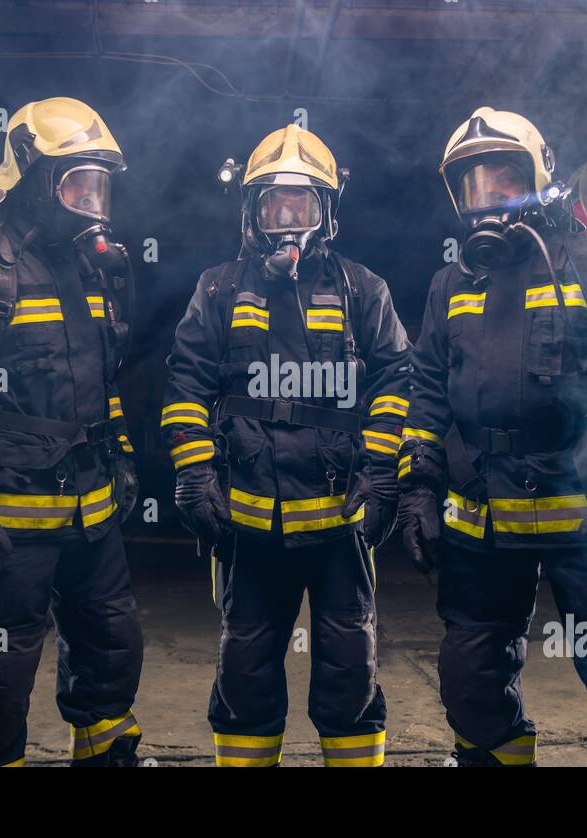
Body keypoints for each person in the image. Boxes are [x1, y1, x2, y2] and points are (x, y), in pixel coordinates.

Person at [396, 107, 587, 766]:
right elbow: (423, 392)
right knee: (471, 682)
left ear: (542, 179)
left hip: (585, 518)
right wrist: (418, 484)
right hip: (481, 524)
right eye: (475, 186)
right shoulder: (451, 283)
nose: (491, 199)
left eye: (505, 179)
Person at [163, 125, 410, 766]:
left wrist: (383, 466)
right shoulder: (218, 288)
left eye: (300, 205)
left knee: (349, 668)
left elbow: (396, 377)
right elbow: (185, 381)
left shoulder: (363, 289)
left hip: (339, 522)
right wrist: (194, 472)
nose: (287, 219)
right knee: (244, 669)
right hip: (249, 522)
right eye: (274, 204)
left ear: (325, 213)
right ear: (252, 212)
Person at [0, 98, 144, 767]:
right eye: (74, 183)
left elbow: (104, 379)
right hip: (10, 515)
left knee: (114, 643)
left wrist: (119, 453)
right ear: (31, 178)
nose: (89, 201)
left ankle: (105, 753)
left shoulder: (92, 270)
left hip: (91, 508)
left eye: (98, 185)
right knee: (2, 673)